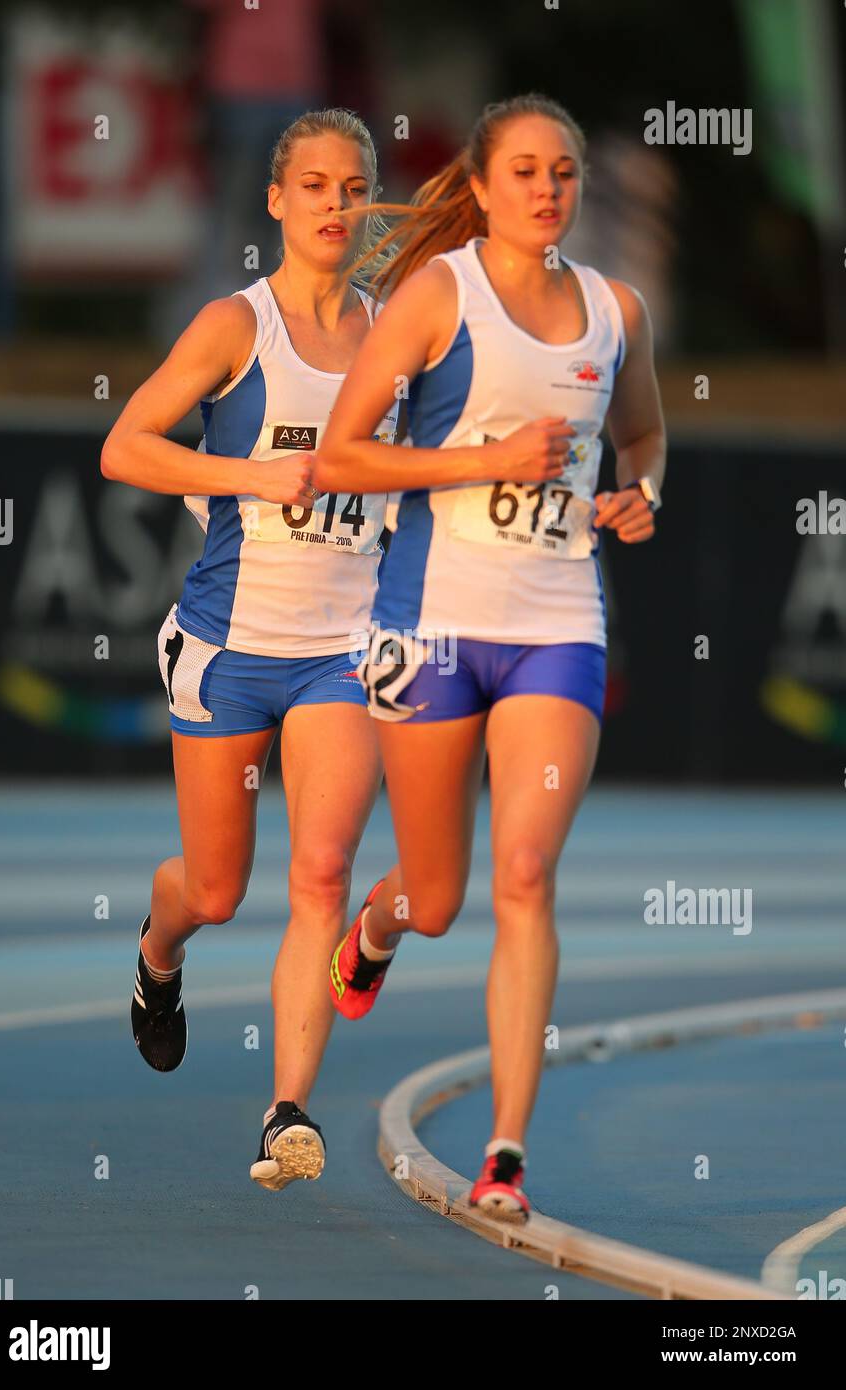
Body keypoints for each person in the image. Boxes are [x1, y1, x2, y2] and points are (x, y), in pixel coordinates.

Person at [314, 93, 666, 1222]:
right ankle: (374, 926)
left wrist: (638, 493)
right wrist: (486, 460)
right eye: (523, 171)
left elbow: (644, 433)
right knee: (438, 894)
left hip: (557, 621)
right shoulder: (436, 295)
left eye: (562, 171)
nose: (547, 190)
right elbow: (341, 456)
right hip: (427, 625)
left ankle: (506, 1150)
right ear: (478, 186)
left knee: (525, 872)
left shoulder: (616, 310)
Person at [101, 109, 399, 1191]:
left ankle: (285, 1112)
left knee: (319, 874)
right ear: (275, 201)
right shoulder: (237, 326)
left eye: (351, 185)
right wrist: (250, 475)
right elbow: (124, 445)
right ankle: (157, 952)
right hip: (231, 646)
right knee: (217, 890)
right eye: (311, 184)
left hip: (342, 654)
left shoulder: (393, 333)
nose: (332, 202)